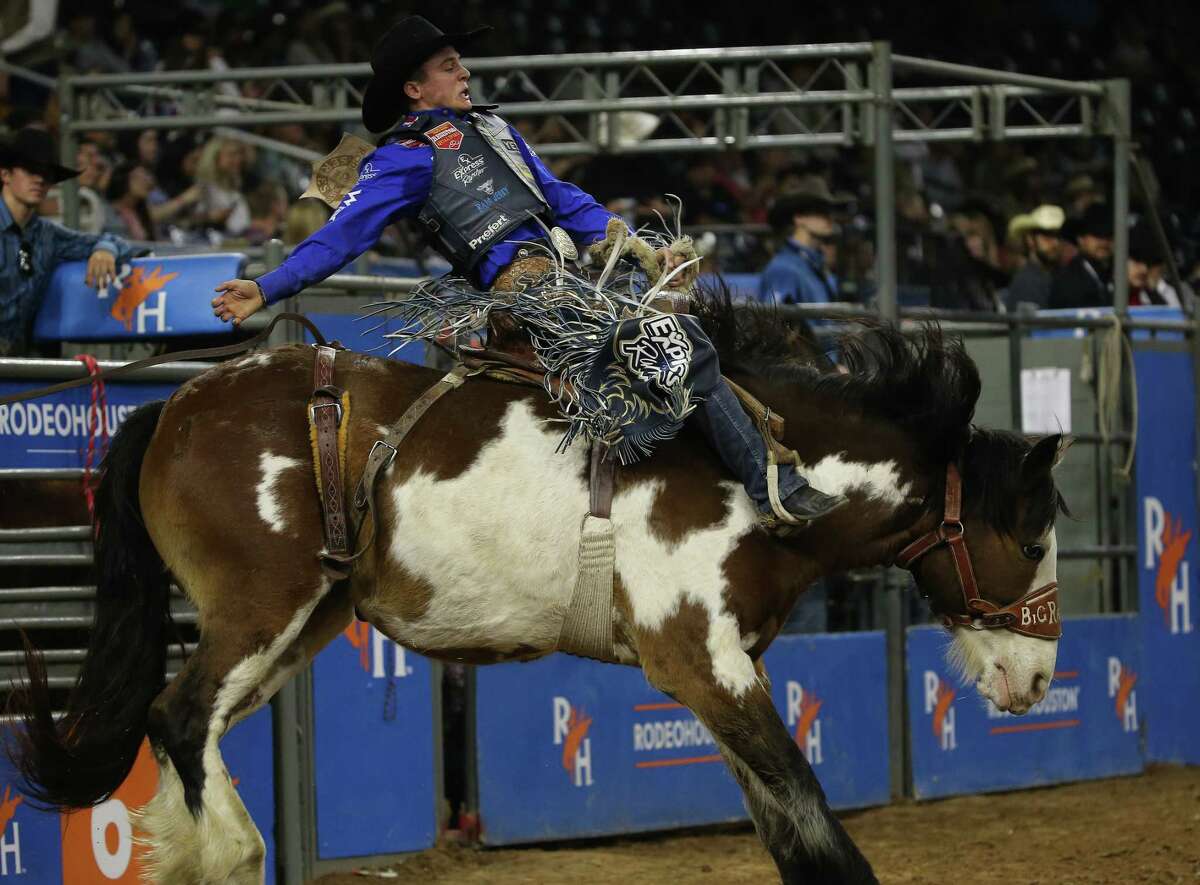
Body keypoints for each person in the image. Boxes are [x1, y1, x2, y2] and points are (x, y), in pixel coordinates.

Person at [212, 15, 843, 530]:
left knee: (686, 341)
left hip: (574, 282)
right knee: (678, 349)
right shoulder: (402, 158)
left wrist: (639, 250)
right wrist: (267, 286)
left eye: (460, 62)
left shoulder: (492, 128)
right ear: (415, 88)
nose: (465, 72)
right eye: (448, 66)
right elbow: (341, 236)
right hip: (530, 295)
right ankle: (770, 492)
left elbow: (562, 198)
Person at [0, 128, 134, 356]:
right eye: (30, 170)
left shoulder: (46, 233)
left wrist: (104, 250)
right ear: (6, 175)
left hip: (18, 357)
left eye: (46, 173)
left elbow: (116, 241)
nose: (40, 179)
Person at [758, 176, 849, 306]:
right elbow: (774, 322)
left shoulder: (816, 266)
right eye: (821, 211)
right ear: (799, 218)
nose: (830, 218)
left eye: (830, 212)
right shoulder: (784, 269)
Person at [1049, 203, 1113, 309]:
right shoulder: (1069, 279)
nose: (1104, 242)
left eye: (1109, 236)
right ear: (1081, 239)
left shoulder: (1109, 274)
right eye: (1096, 235)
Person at [1006, 204, 1065, 310]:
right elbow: (1029, 326)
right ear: (1030, 240)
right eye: (1047, 236)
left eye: (1058, 236)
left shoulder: (1058, 276)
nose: (1055, 243)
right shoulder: (1026, 283)